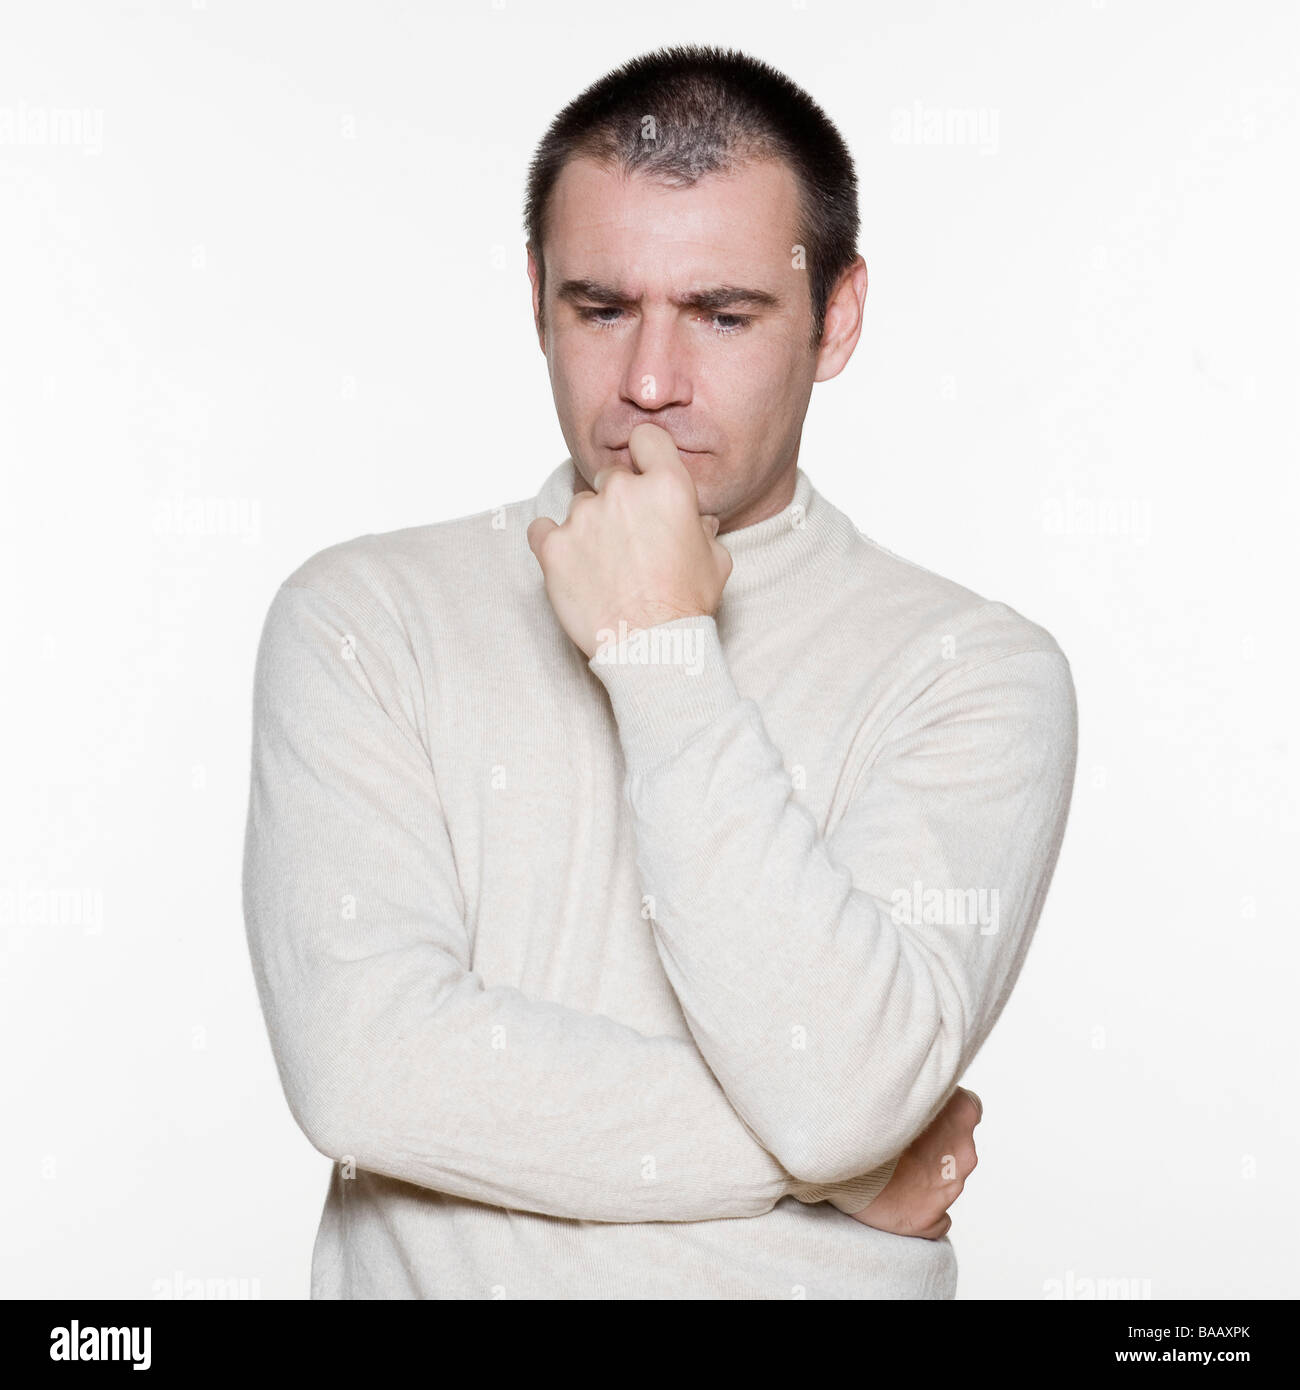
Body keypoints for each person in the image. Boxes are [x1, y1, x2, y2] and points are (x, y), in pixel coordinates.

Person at [242, 44, 1077, 1300]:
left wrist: (658, 648)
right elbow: (365, 1070)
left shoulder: (969, 671)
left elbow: (841, 1083)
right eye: (599, 307)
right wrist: (835, 1163)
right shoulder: (366, 619)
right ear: (534, 298)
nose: (647, 382)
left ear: (836, 316)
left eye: (722, 315)